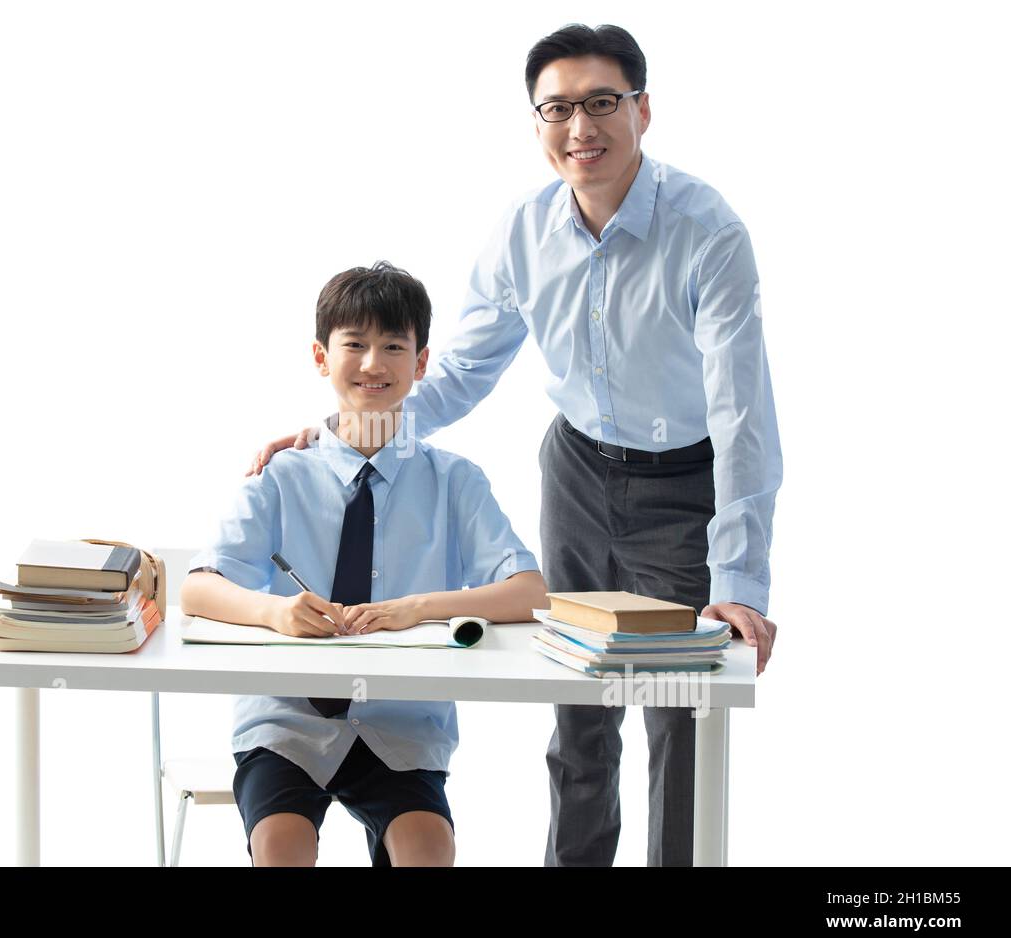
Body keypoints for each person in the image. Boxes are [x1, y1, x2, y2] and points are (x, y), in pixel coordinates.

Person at [247, 24, 780, 867]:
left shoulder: (706, 229)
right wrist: (336, 433)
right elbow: (456, 375)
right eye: (558, 108)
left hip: (686, 480)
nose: (582, 128)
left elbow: (743, 410)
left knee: (679, 708)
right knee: (579, 704)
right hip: (576, 471)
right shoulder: (522, 232)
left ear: (643, 110)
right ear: (537, 122)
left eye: (603, 103)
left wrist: (740, 577)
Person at [182, 261, 547, 867]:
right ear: (322, 357)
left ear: (421, 363)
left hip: (401, 721)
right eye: (354, 344)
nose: (374, 363)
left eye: (393, 346)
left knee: (428, 849)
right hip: (288, 720)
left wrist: (418, 608)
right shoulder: (280, 476)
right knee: (281, 847)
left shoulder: (454, 481)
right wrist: (276, 612)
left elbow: (529, 593)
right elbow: (198, 591)